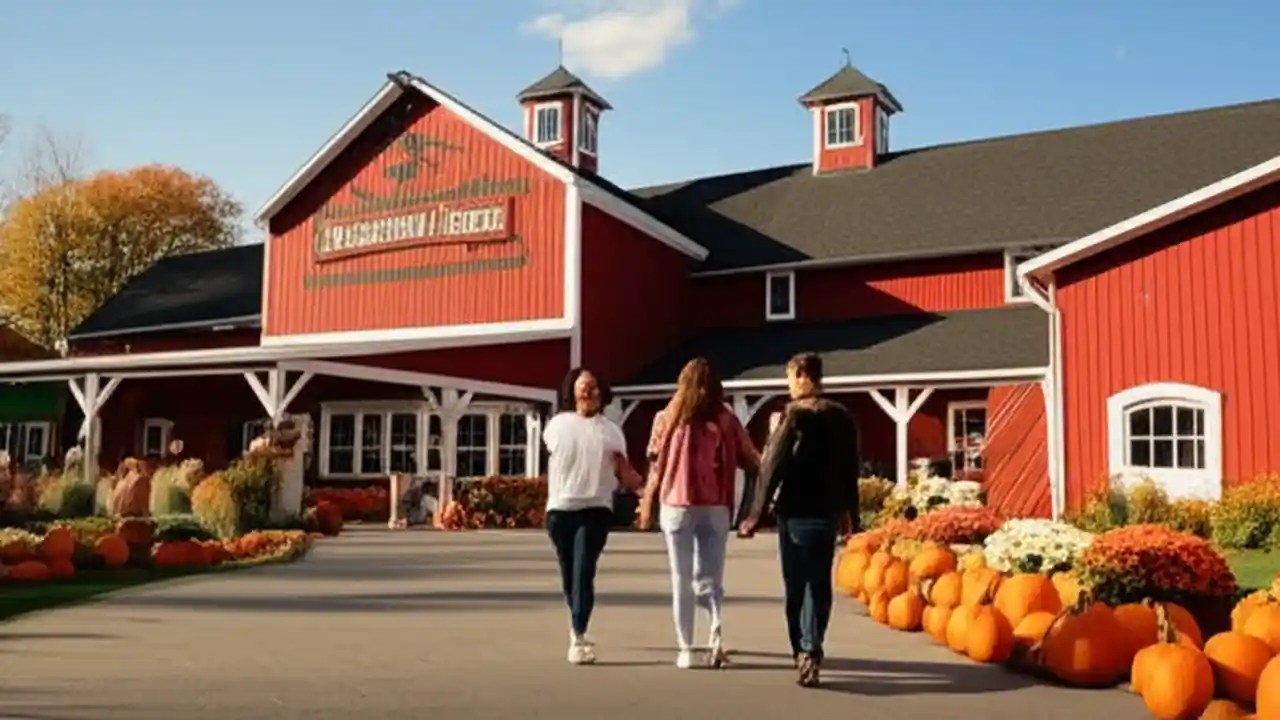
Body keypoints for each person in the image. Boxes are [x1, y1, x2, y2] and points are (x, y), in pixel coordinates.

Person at [738, 352, 859, 688]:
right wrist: (851, 513)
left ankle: (802, 650)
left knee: (796, 585)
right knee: (819, 584)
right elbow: (851, 469)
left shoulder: (792, 416)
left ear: (803, 376)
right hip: (826, 512)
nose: (789, 385)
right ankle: (813, 645)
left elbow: (771, 467)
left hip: (794, 511)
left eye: (790, 378)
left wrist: (754, 515)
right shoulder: (843, 417)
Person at [640, 357, 761, 669]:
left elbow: (655, 465)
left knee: (680, 578)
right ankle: (715, 629)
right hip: (716, 505)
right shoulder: (726, 418)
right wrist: (754, 504)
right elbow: (752, 460)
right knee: (711, 576)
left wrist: (646, 504)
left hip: (676, 504)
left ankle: (685, 648)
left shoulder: (666, 417)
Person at [542, 367, 644, 665]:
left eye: (594, 387)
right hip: (560, 509)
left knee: (584, 569)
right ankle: (577, 618)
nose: (588, 392)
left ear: (603, 393)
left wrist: (646, 491)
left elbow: (624, 472)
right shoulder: (556, 425)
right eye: (582, 386)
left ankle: (578, 634)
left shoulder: (611, 431)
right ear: (572, 391)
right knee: (569, 573)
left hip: (596, 509)